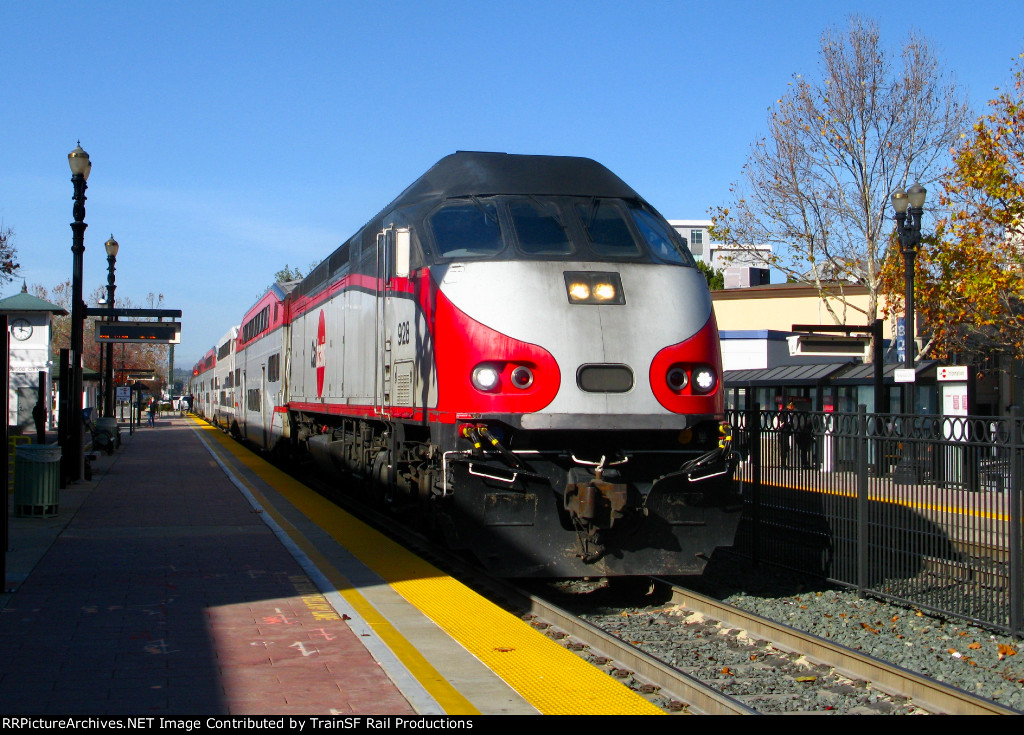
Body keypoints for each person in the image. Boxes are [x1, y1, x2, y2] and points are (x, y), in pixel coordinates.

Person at [778, 403, 794, 468]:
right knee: (784, 448)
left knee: (786, 448)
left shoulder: (789, 414)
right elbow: (782, 423)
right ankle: (783, 463)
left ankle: (784, 463)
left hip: (786, 433)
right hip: (783, 433)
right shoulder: (784, 413)